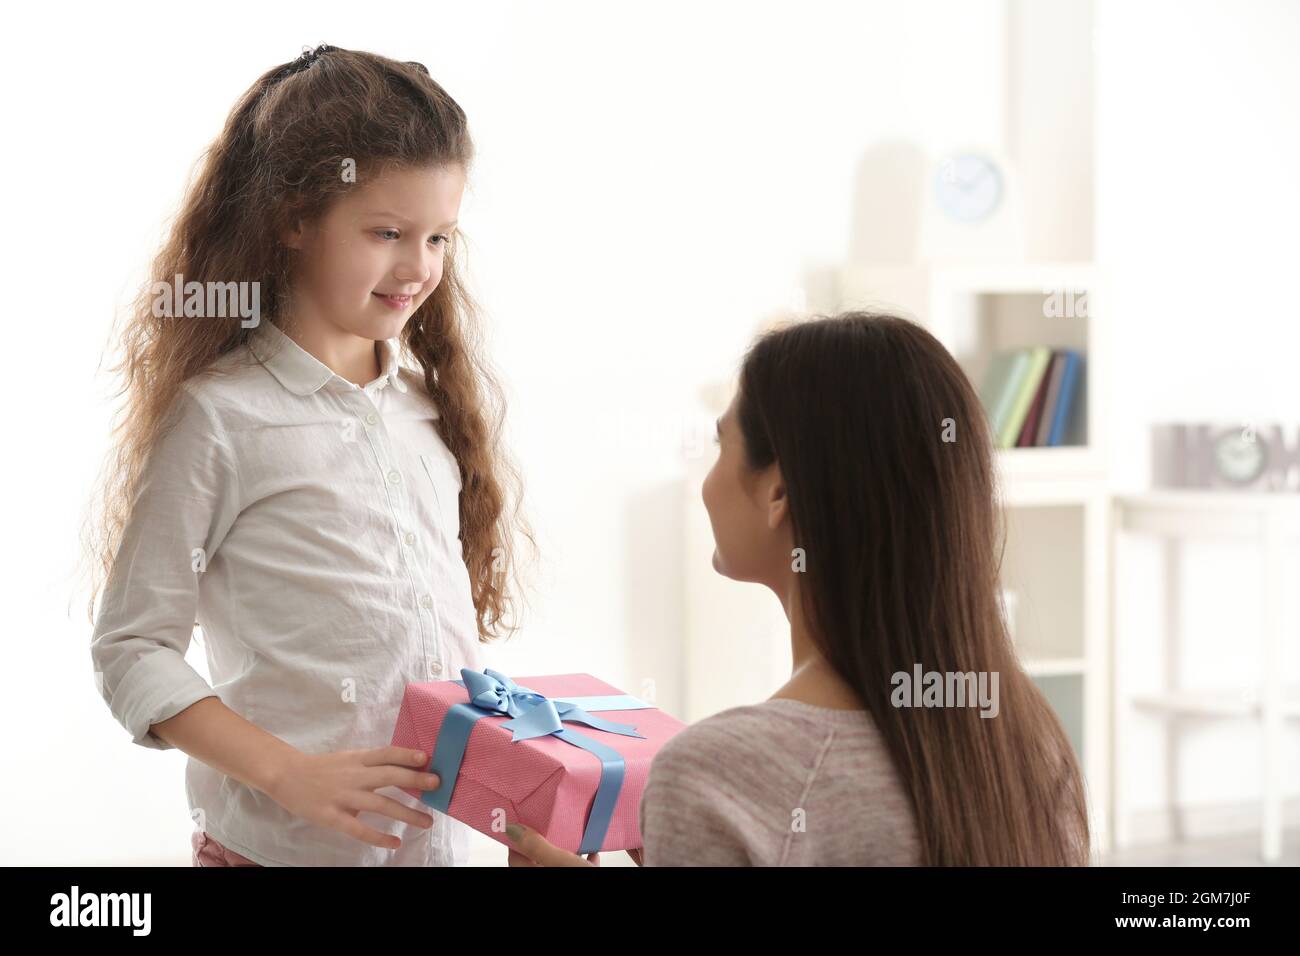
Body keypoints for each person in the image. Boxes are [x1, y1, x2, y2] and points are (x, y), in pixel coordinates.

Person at [85, 45, 529, 866]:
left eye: (439, 237)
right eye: (387, 233)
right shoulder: (220, 418)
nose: (419, 267)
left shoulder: (430, 408)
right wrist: (290, 775)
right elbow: (131, 647)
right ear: (292, 219)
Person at [507, 312, 1091, 866]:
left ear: (779, 492)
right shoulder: (1029, 748)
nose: (709, 481)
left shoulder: (719, 772)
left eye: (720, 445)